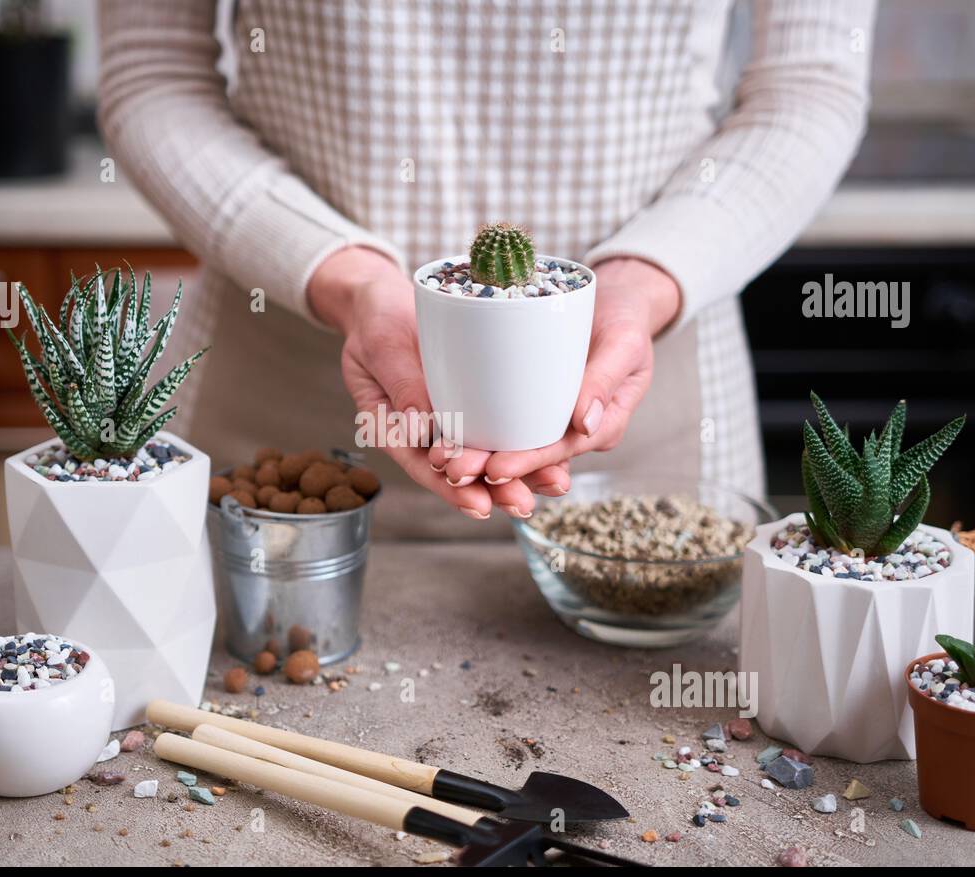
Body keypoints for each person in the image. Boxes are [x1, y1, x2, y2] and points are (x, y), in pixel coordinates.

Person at [98, 0, 874, 537]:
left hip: (644, 436)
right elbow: (151, 73)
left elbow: (808, 83)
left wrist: (644, 282)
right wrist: (349, 278)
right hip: (288, 441)